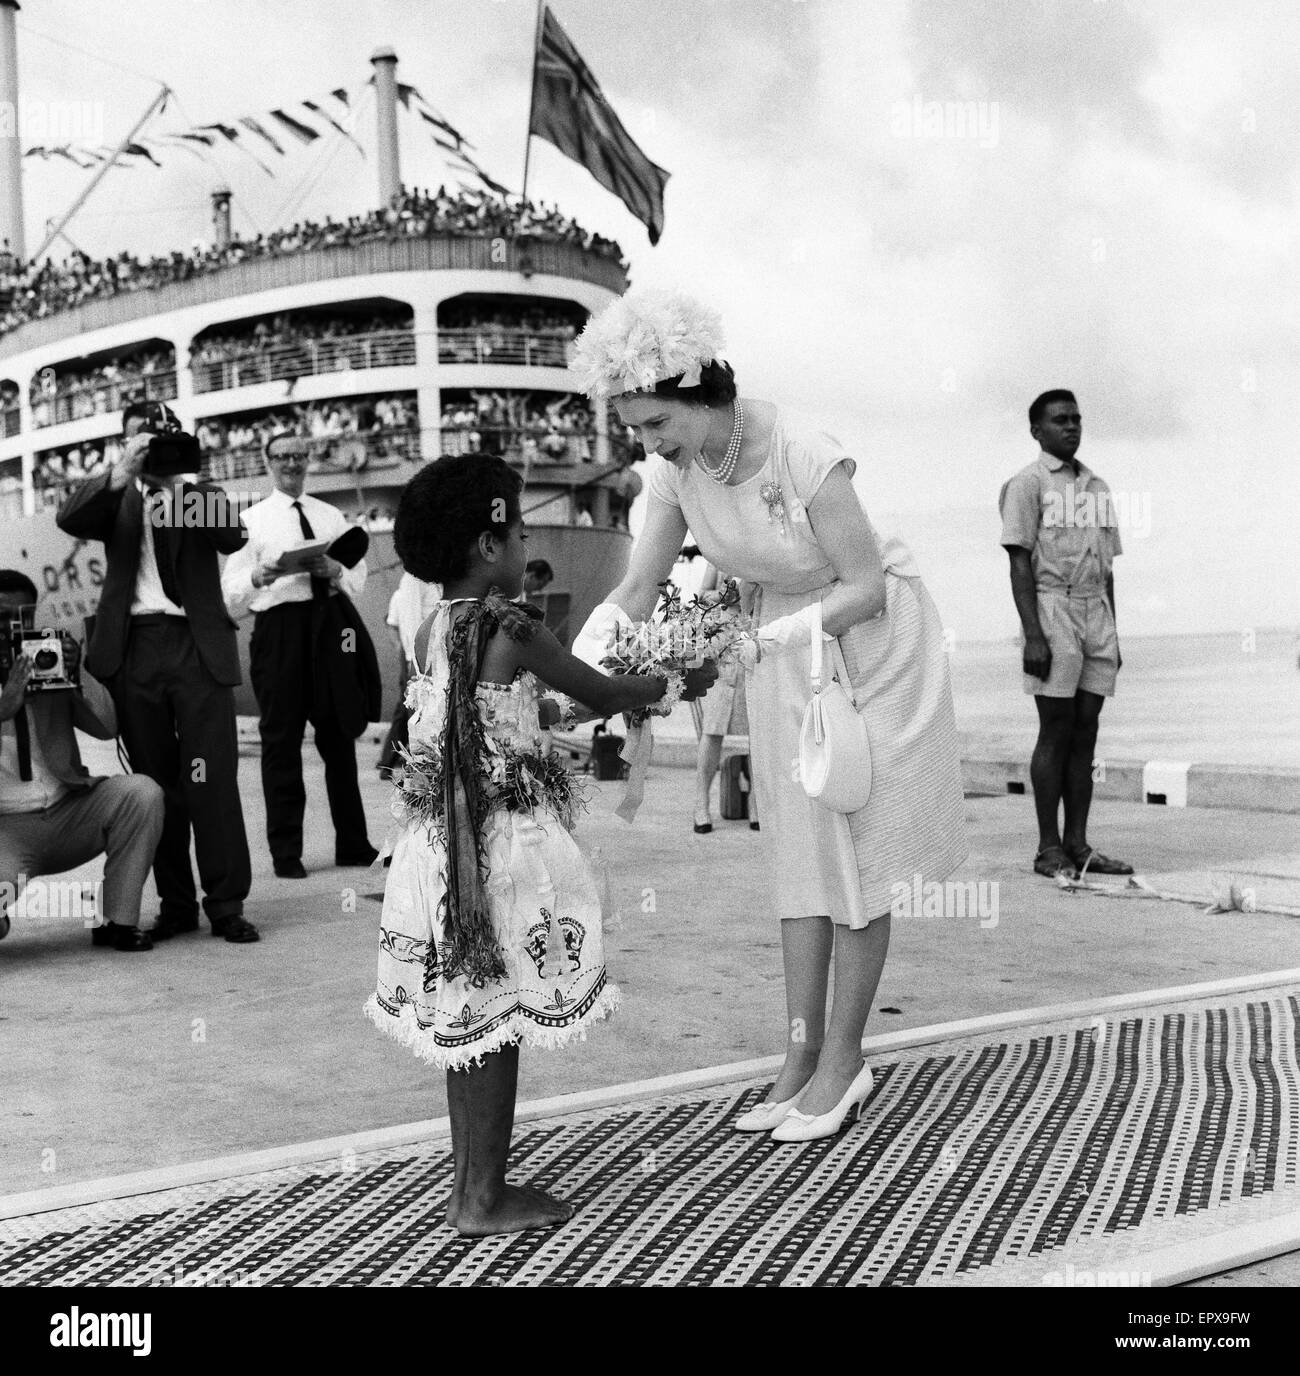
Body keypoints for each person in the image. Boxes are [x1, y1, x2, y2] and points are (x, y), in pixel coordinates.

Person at [570, 288, 967, 1142]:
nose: (646, 443)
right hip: (780, 648)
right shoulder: (675, 474)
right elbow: (638, 591)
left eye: (653, 424)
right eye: (637, 429)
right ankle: (800, 1056)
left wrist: (769, 639)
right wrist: (580, 671)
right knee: (798, 851)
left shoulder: (803, 452)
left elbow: (862, 586)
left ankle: (844, 1058)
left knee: (857, 849)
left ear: (699, 393)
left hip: (871, 643)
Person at [365, 453, 709, 1235]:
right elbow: (605, 692)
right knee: (498, 1016)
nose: (525, 547)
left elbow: (488, 713)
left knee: (467, 1016)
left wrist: (549, 714)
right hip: (499, 847)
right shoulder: (509, 625)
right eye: (519, 533)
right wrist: (682, 676)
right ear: (489, 547)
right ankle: (482, 1199)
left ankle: (471, 1186)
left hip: (437, 846)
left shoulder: (430, 628)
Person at [56, 401, 258, 943]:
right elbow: (69, 518)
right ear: (124, 443)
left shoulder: (196, 497)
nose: (153, 447)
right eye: (140, 439)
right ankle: (175, 904)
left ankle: (226, 903)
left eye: (159, 437)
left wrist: (180, 489)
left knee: (211, 778)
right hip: (134, 648)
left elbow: (233, 538)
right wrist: (124, 471)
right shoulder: (115, 497)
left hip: (197, 646)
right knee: (156, 784)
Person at [222, 435, 379, 878]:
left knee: (339, 735)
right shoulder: (248, 522)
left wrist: (336, 570)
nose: (291, 463)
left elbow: (358, 576)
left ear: (308, 461)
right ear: (268, 462)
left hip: (329, 625)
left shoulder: (330, 516)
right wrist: (258, 574)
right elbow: (230, 595)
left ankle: (353, 842)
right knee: (281, 741)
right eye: (282, 456)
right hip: (278, 630)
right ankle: (286, 852)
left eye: (298, 455)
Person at [999, 389, 1131, 880]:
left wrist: (1114, 636)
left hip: (1096, 610)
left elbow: (1108, 568)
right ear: (1037, 430)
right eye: (1059, 420)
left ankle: (1079, 845)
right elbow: (1018, 562)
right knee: (1055, 728)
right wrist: (1033, 634)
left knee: (1087, 730)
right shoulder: (1027, 484)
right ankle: (1048, 848)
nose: (1071, 426)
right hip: (1052, 607)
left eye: (1076, 418)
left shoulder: (1097, 486)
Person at [0, 571, 164, 950]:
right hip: (5, 832)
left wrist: (77, 674)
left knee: (141, 793)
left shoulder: (45, 657)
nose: (8, 626)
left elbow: (108, 727)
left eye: (19, 616)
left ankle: (115, 921)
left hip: (67, 813)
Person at [691, 563, 760, 834]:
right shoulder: (718, 557)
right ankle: (701, 803)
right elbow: (700, 595)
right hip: (722, 652)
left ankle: (756, 802)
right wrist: (724, 596)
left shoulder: (759, 553)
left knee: (756, 734)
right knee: (712, 731)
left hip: (753, 649)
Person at [376, 570, 442, 779]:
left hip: (426, 656)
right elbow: (411, 621)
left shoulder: (433, 581)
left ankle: (389, 761)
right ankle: (410, 765)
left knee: (405, 710)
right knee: (412, 712)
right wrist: (415, 661)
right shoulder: (414, 579)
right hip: (417, 658)